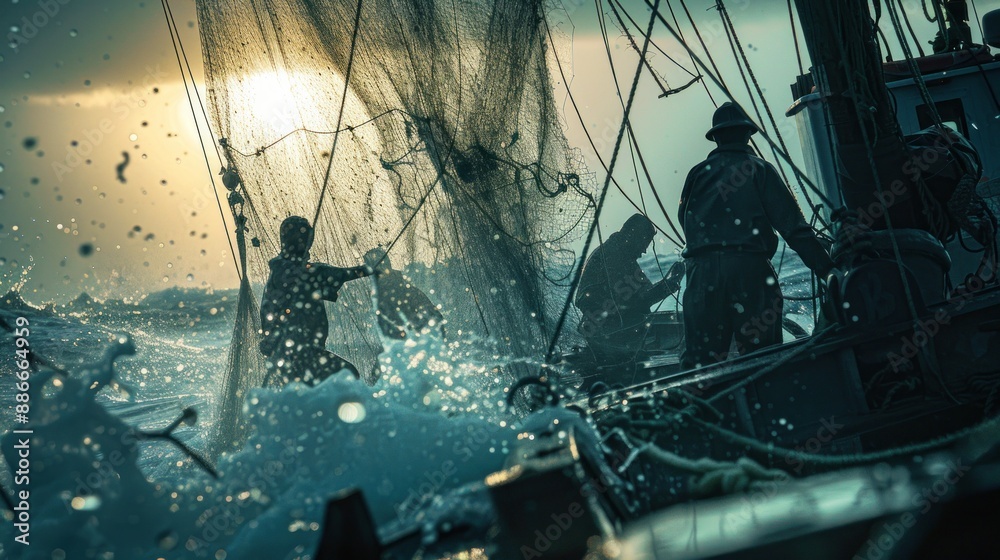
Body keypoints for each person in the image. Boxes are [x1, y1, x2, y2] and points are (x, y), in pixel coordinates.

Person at [678, 102, 834, 369]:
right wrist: (829, 270)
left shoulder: (697, 174)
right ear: (748, 134)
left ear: (715, 137)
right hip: (748, 272)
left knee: (699, 363)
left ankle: (700, 407)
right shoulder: (759, 169)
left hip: (700, 276)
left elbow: (685, 219)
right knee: (763, 358)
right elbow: (794, 229)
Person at [259, 216, 374, 385]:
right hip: (299, 353)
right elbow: (338, 274)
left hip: (292, 354)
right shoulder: (295, 272)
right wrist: (370, 269)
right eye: (306, 239)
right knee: (348, 374)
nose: (309, 244)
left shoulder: (282, 269)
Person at [575, 214, 684, 361]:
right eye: (645, 242)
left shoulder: (621, 254)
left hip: (608, 333)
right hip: (607, 338)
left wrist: (669, 282)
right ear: (633, 235)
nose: (644, 250)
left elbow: (643, 295)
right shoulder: (613, 256)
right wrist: (669, 284)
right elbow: (638, 301)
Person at [363, 247, 444, 340]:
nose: (368, 276)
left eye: (369, 270)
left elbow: (436, 321)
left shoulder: (406, 293)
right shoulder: (375, 300)